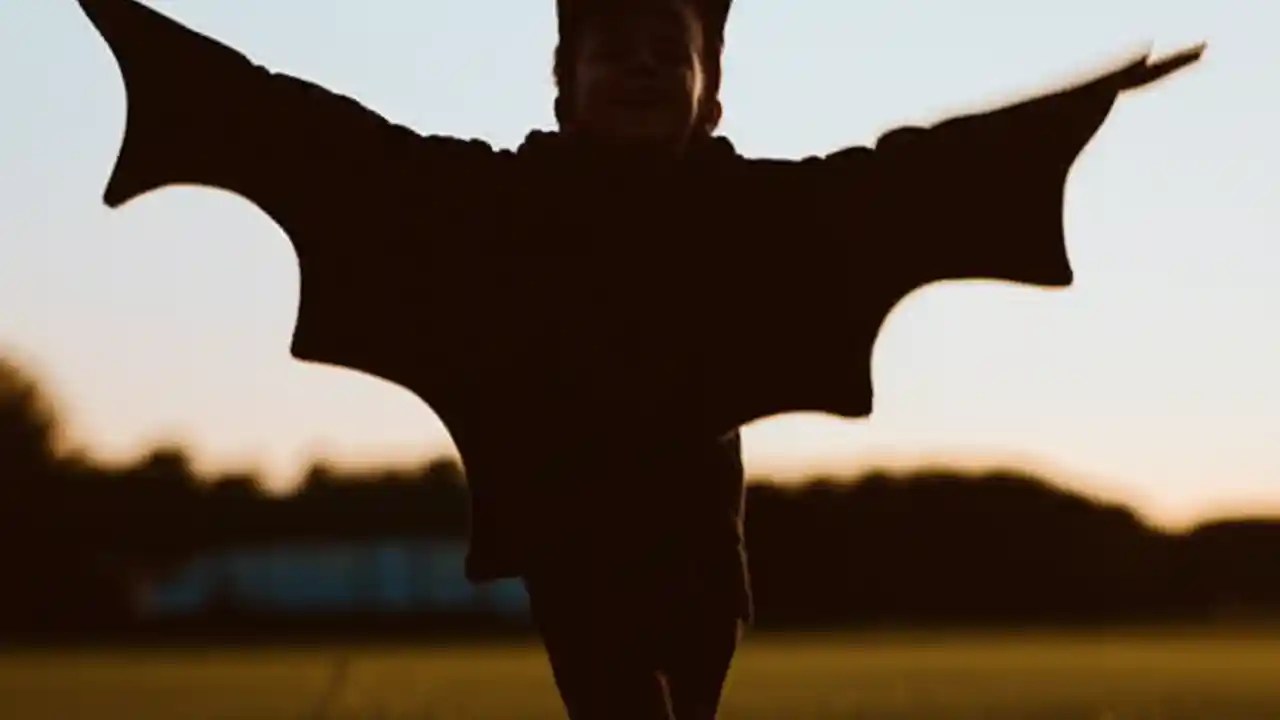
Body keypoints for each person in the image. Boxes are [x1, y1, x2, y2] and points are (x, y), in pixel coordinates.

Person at [74, 0, 1202, 717]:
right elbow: (325, 143)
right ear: (561, 88)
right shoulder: (498, 201)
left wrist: (1075, 103)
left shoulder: (758, 212)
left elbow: (903, 176)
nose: (642, 63)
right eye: (611, 47)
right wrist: (156, 46)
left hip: (702, 540)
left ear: (713, 98)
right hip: (566, 529)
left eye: (670, 48)